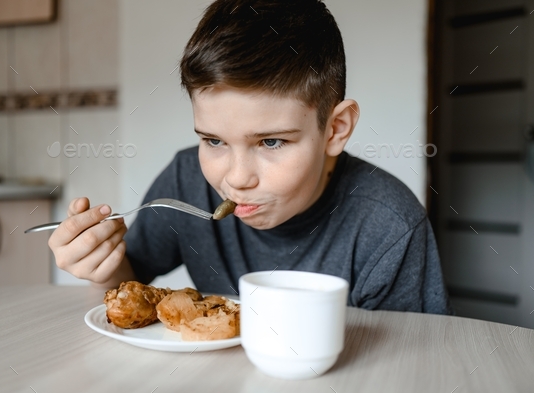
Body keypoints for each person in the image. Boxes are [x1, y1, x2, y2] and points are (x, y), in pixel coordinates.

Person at [49, 0, 450, 314]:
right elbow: (127, 281)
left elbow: (413, 365)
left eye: (271, 142)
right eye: (214, 141)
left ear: (335, 129)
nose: (237, 179)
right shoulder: (186, 180)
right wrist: (101, 265)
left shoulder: (388, 224)